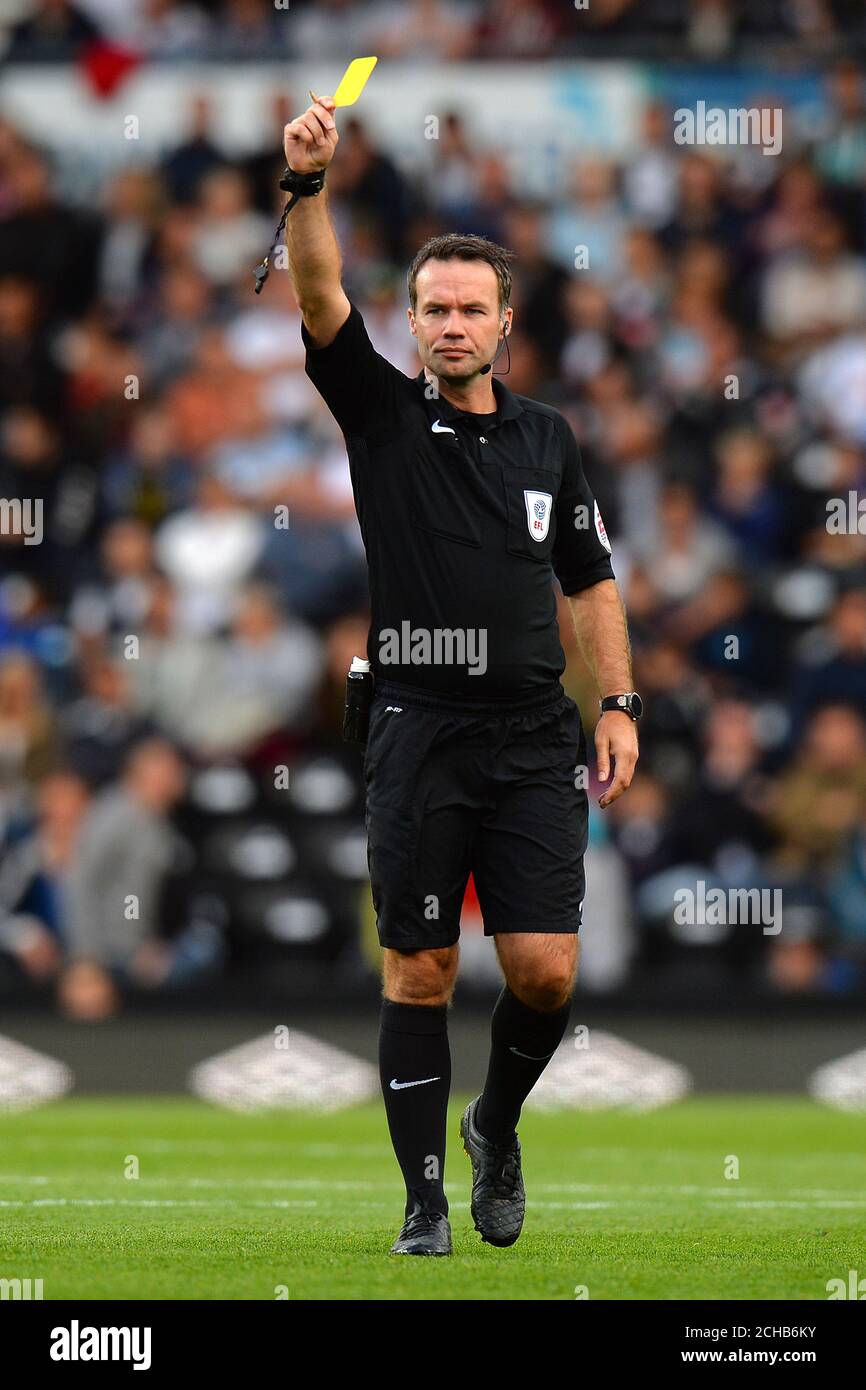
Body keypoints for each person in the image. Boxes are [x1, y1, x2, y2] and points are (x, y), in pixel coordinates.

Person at [281, 94, 640, 1256]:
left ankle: (494, 1121)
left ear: (502, 323)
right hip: (417, 728)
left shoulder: (548, 437)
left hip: (533, 734)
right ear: (413, 320)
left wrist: (619, 700)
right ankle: (424, 1198)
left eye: (467, 309)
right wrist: (308, 189)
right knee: (421, 967)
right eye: (431, 308)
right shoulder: (381, 416)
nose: (447, 325)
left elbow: (589, 581)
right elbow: (320, 295)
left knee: (541, 972)